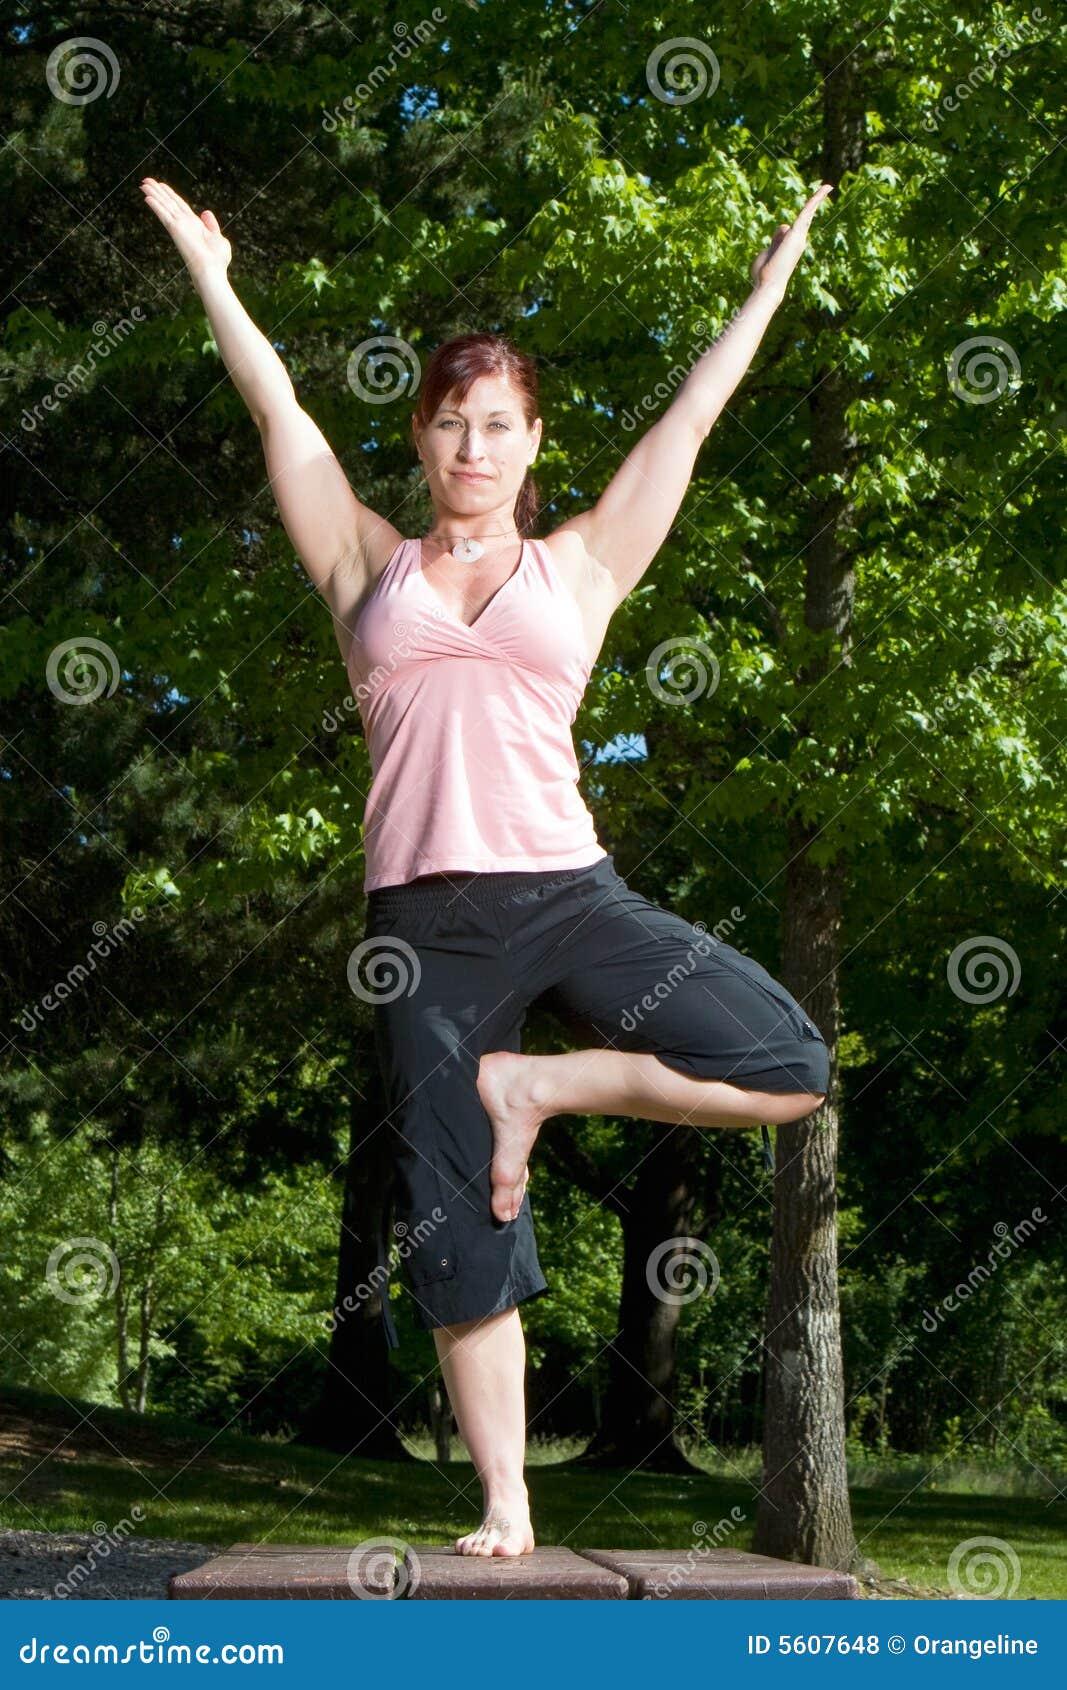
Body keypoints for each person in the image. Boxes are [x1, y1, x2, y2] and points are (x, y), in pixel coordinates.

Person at [139, 175, 834, 1559]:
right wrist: (215, 276)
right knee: (455, 1221)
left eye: (498, 423)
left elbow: (687, 424)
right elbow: (276, 409)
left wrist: (765, 289)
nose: (473, 442)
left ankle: (548, 1084)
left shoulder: (579, 570)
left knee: (793, 1060)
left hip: (570, 892)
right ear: (422, 436)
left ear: (531, 447)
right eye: (451, 420)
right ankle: (508, 1504)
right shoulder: (365, 569)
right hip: (429, 923)